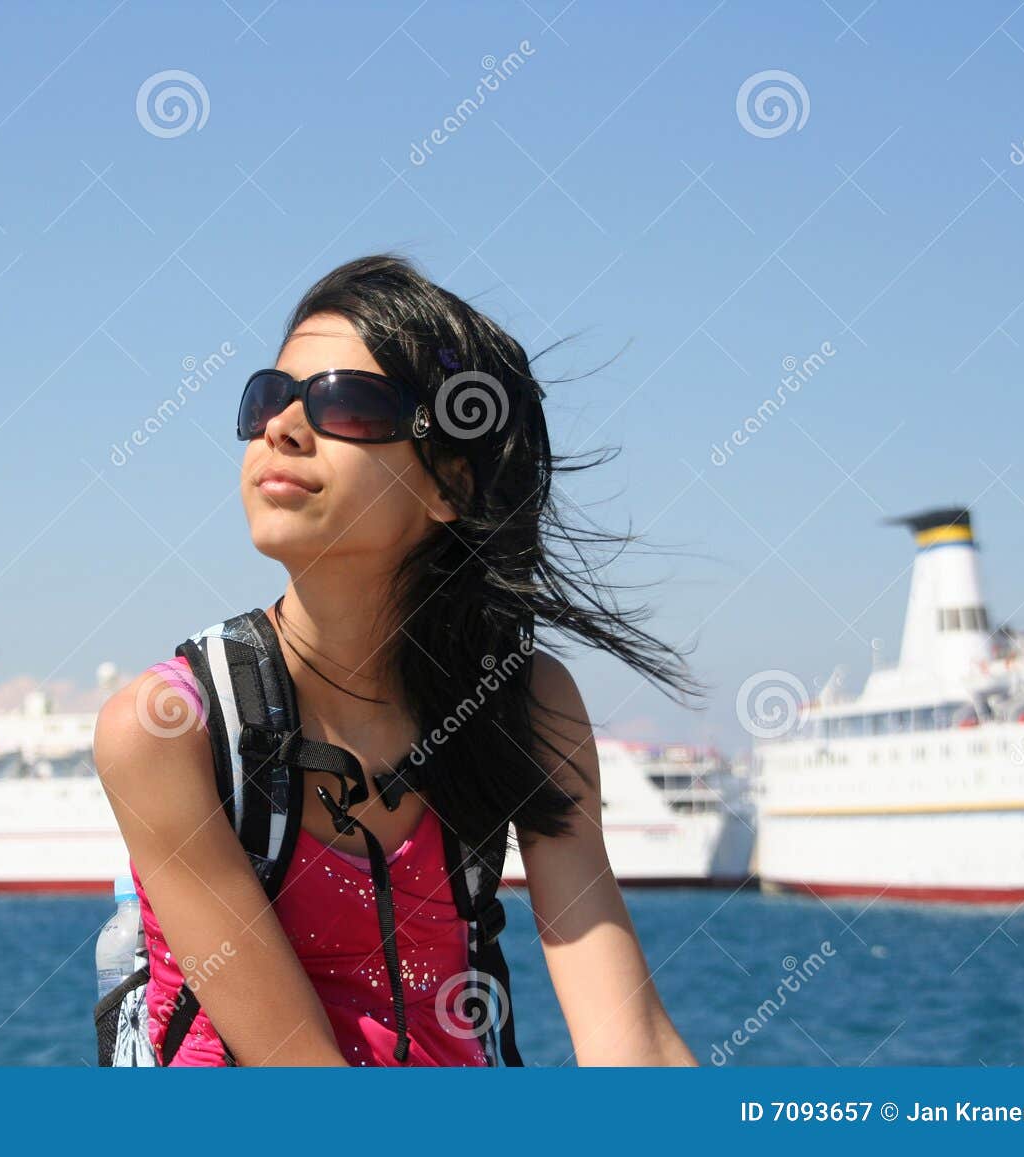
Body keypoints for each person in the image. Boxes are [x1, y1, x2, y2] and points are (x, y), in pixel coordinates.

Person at [93, 253, 702, 1066]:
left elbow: (634, 1046)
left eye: (346, 403)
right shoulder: (167, 729)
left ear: (449, 484)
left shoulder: (524, 704)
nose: (282, 426)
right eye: (269, 397)